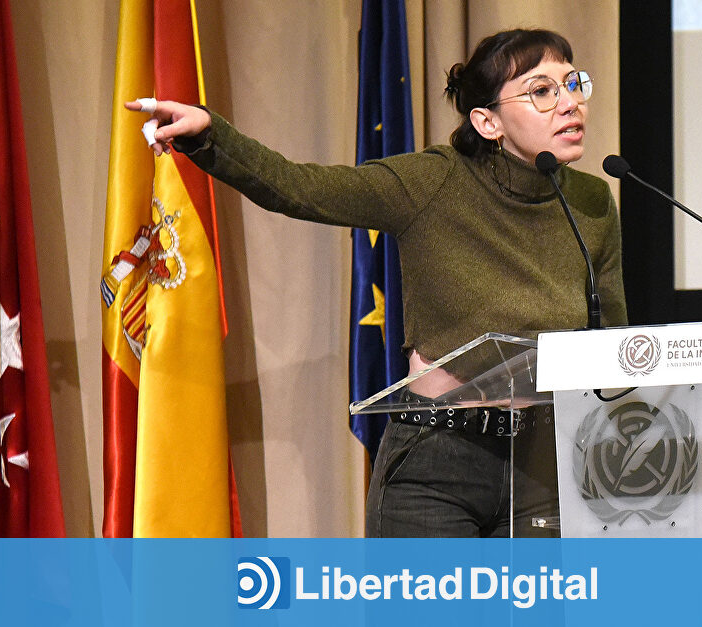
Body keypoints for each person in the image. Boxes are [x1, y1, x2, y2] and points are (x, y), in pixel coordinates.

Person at [127, 28, 627, 537]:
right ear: (488, 121)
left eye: (573, 84)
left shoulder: (591, 202)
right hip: (438, 465)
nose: (570, 104)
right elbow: (300, 188)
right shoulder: (433, 183)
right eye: (542, 91)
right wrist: (211, 136)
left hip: (542, 467)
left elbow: (613, 337)